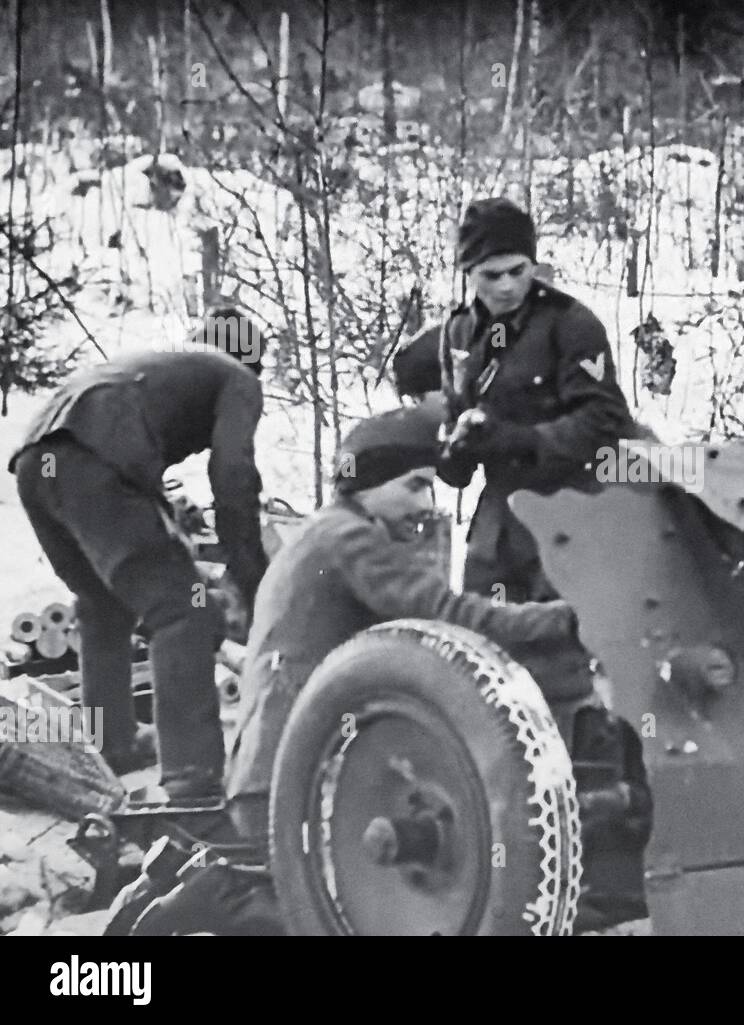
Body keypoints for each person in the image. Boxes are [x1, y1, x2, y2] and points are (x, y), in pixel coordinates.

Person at [222, 404, 580, 848]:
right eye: (415, 486)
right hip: (290, 777)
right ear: (370, 485)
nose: (426, 505)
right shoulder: (347, 539)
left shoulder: (327, 533)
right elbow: (447, 618)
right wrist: (570, 619)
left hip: (278, 770)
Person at [9, 308, 268, 803]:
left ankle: (113, 743)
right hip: (91, 462)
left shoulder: (156, 367)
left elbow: (103, 449)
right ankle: (193, 777)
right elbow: (233, 474)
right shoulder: (237, 377)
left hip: (35, 462)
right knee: (183, 611)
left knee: (103, 604)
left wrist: (164, 519)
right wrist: (253, 579)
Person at [392, 196, 636, 602]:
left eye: (517, 271)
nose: (506, 286)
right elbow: (454, 421)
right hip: (499, 520)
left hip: (570, 510)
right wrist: (458, 450)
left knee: (558, 642)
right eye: (491, 275)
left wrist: (526, 440)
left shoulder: (570, 324)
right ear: (469, 273)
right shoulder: (458, 334)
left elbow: (606, 419)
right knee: (484, 637)